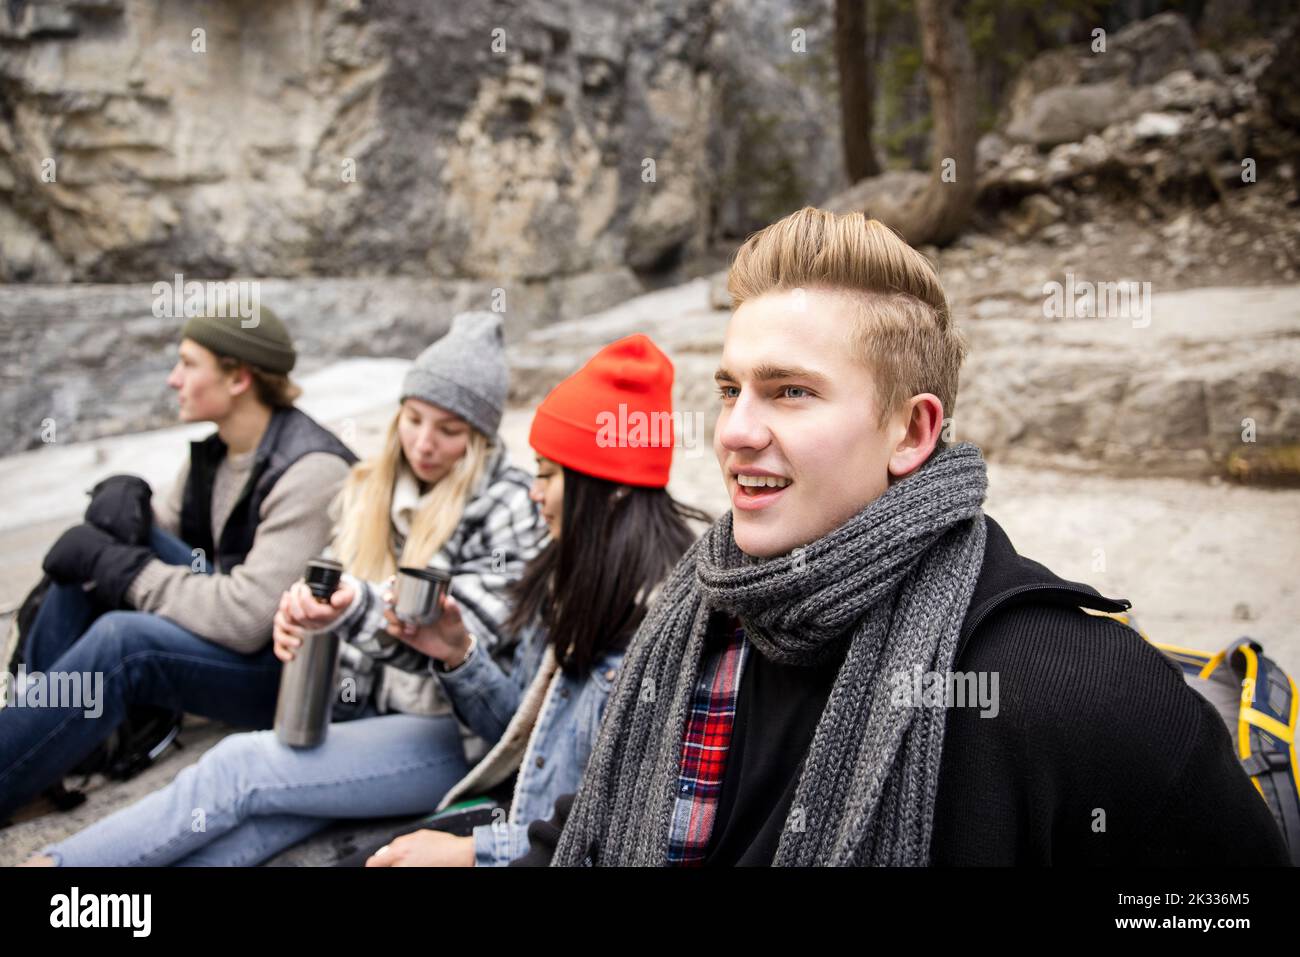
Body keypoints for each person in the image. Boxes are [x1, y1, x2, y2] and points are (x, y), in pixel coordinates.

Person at [513, 207, 1291, 867]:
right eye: (729, 389)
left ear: (913, 430)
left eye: (790, 391)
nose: (735, 431)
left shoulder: (1073, 686)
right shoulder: (700, 619)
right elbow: (631, 798)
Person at [345, 334, 710, 867]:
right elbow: (521, 738)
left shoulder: (672, 624)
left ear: (610, 486)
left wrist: (474, 852)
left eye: (547, 473)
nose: (534, 492)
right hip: (520, 825)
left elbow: (625, 830)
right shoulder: (566, 578)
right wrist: (458, 654)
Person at [0, 307, 355, 823]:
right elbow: (158, 532)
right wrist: (125, 496)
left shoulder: (312, 469)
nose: (173, 379)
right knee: (95, 545)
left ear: (238, 377)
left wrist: (124, 569)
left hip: (285, 673)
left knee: (127, 639)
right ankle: (31, 730)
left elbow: (248, 619)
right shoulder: (220, 451)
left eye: (189, 364)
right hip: (245, 638)